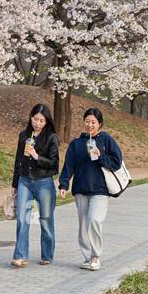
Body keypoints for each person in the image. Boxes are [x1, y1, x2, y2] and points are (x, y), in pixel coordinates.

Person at [58, 106, 123, 270]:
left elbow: (116, 162)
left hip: (100, 189)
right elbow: (69, 165)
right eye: (87, 121)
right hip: (81, 188)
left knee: (94, 220)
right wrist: (64, 184)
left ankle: (96, 255)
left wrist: (100, 157)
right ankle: (87, 257)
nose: (90, 125)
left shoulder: (106, 140)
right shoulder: (76, 143)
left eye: (93, 122)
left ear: (99, 124)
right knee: (83, 225)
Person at [10, 101, 59, 267]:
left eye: (41, 121)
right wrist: (15, 183)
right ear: (30, 118)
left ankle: (47, 254)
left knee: (46, 219)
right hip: (24, 180)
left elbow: (54, 163)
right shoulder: (24, 136)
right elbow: (18, 160)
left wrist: (37, 156)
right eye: (35, 119)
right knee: (22, 219)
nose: (37, 123)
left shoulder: (51, 138)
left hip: (44, 182)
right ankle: (20, 255)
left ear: (46, 122)